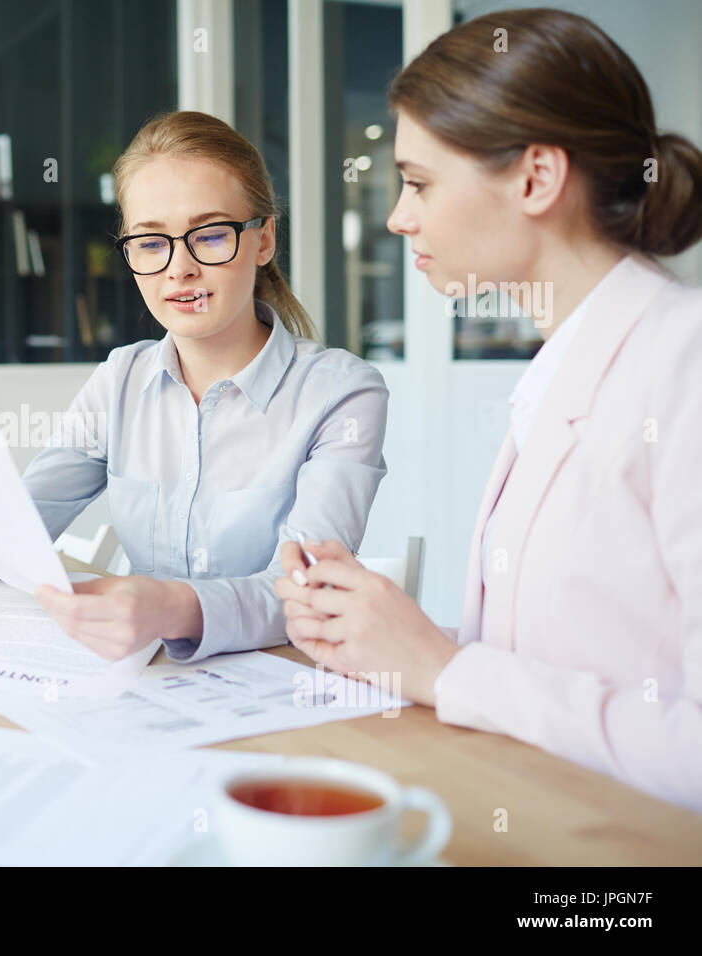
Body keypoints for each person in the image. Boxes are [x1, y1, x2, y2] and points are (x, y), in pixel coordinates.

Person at [274, 8, 702, 812]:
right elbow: (553, 660)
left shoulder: (685, 364)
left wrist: (442, 668)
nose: (399, 217)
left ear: (536, 178)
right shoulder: (566, 366)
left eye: (420, 182)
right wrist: (383, 633)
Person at [0, 110, 388, 664]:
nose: (178, 269)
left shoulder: (341, 395)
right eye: (151, 242)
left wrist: (171, 608)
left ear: (263, 241)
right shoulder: (120, 381)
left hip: (281, 698)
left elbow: (306, 593)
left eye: (209, 236)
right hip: (143, 680)